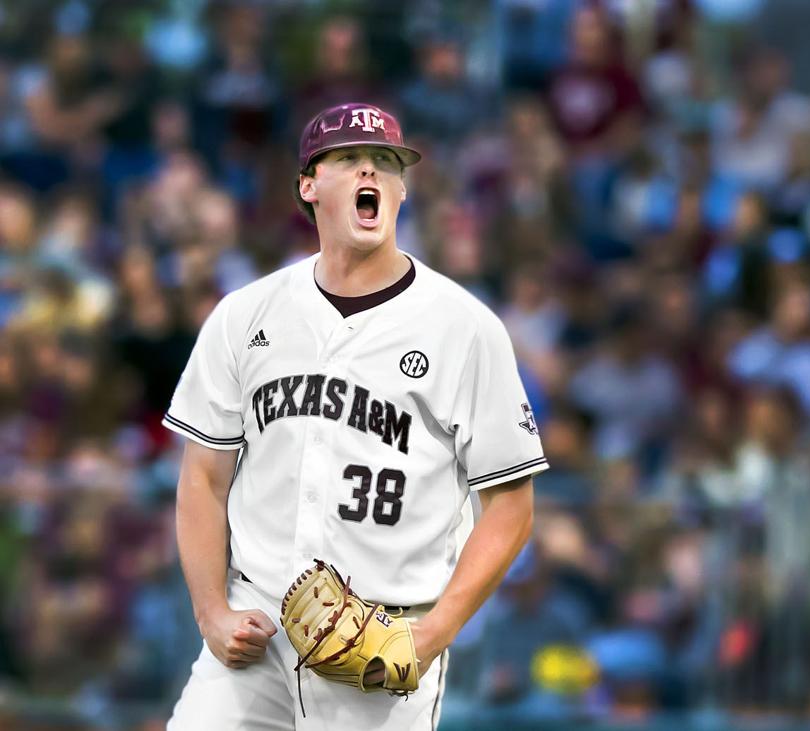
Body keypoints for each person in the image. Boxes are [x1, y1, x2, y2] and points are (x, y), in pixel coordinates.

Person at [162, 102, 547, 729]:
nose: (370, 170)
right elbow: (203, 477)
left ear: (399, 191)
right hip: (256, 631)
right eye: (348, 159)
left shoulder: (466, 328)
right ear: (308, 186)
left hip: (383, 641)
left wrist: (431, 636)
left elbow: (512, 507)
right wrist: (211, 612)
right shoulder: (246, 314)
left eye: (387, 163)